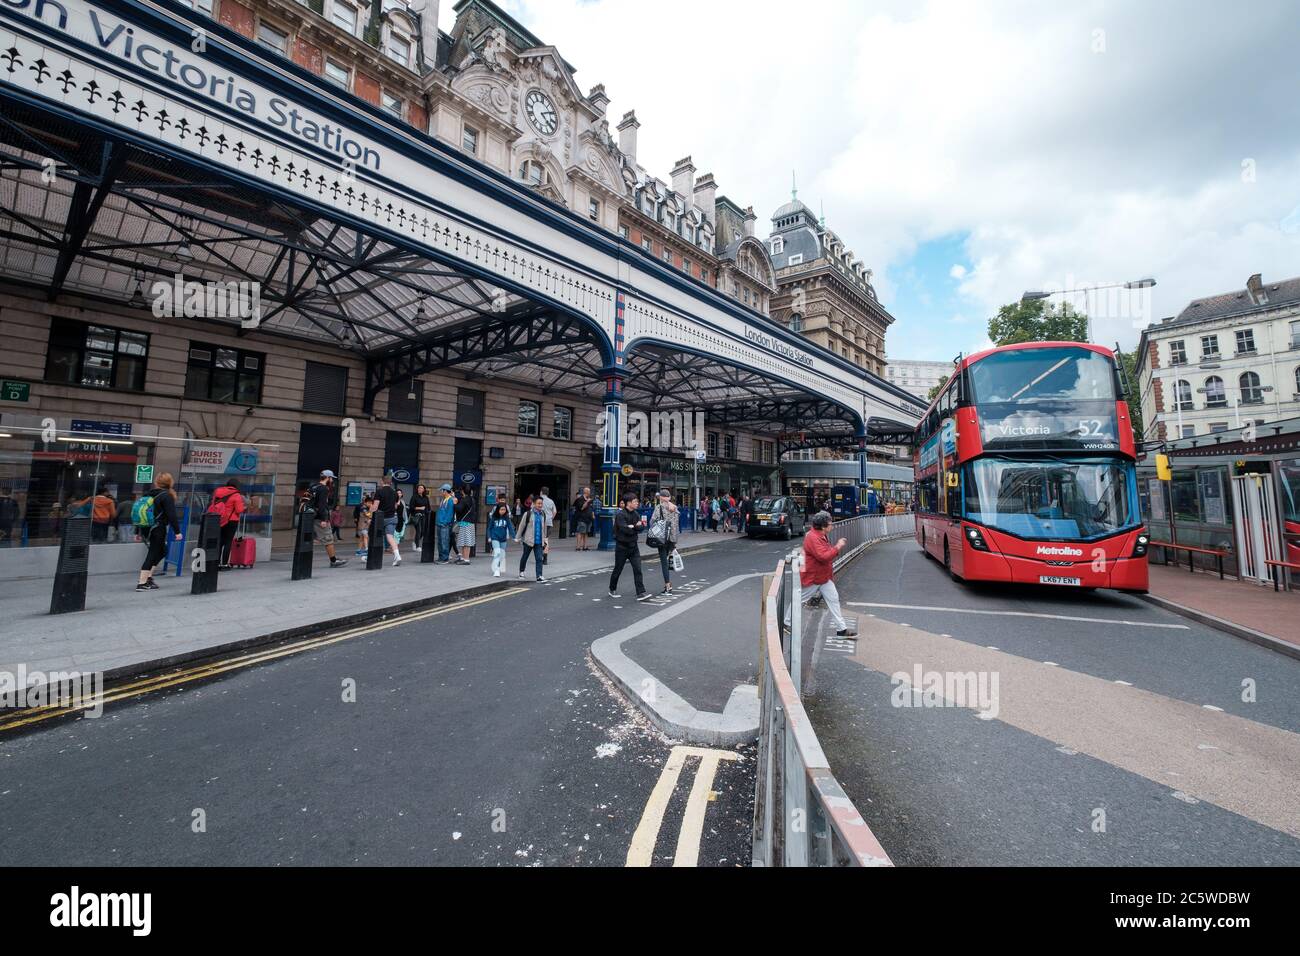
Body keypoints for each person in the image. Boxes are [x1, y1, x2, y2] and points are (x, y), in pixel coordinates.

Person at [785, 511, 854, 637]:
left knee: (833, 599)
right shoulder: (813, 537)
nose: (832, 525)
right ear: (823, 526)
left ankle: (841, 629)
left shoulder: (817, 535)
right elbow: (823, 556)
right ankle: (787, 622)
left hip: (822, 576)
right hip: (814, 576)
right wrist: (838, 546)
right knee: (799, 598)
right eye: (830, 523)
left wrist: (834, 548)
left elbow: (824, 553)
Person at [135, 473, 183, 591]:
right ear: (170, 483)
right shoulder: (166, 496)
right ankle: (142, 583)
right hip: (157, 528)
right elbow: (171, 515)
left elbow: (140, 513)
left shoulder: (148, 494)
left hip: (146, 527)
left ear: (157, 482)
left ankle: (148, 578)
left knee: (162, 551)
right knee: (153, 553)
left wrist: (137, 532)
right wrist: (177, 532)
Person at [609, 492, 652, 602]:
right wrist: (634, 527)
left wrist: (634, 526)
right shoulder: (620, 515)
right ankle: (612, 589)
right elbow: (625, 530)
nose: (637, 503)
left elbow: (642, 527)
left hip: (634, 547)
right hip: (622, 547)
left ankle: (640, 593)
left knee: (638, 569)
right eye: (635, 502)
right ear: (628, 503)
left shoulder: (636, 514)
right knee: (618, 569)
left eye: (637, 501)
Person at [307, 470, 348, 568]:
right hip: (319, 518)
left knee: (309, 539)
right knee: (328, 539)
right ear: (327, 478)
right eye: (331, 478)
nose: (332, 481)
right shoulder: (324, 489)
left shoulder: (313, 487)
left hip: (310, 516)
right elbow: (322, 505)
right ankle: (333, 561)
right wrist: (324, 519)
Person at [207, 479, 246, 570]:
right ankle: (224, 564)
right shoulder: (236, 495)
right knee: (228, 542)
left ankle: (216, 563)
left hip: (219, 519)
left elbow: (213, 504)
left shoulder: (218, 492)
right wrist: (244, 507)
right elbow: (239, 510)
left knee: (219, 542)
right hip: (231, 521)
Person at [648, 489, 680, 595]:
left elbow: (652, 522)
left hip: (662, 538)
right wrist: (674, 542)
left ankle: (668, 586)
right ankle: (667, 585)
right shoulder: (675, 508)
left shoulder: (659, 507)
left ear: (661, 497)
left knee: (664, 562)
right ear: (669, 497)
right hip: (671, 538)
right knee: (666, 560)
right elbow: (676, 525)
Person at [515, 496, 547, 582]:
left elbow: (544, 528)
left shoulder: (543, 514)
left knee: (539, 559)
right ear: (534, 504)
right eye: (538, 503)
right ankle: (521, 571)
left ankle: (539, 575)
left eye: (541, 503)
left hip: (539, 541)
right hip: (528, 540)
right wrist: (517, 538)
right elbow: (521, 526)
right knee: (525, 556)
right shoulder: (528, 514)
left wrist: (544, 539)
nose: (540, 505)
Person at [375, 473, 402, 567]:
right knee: (390, 537)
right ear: (390, 483)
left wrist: (370, 515)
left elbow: (375, 506)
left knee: (374, 536)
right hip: (392, 517)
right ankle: (397, 556)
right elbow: (395, 506)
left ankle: (370, 555)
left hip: (381, 518)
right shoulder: (395, 493)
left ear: (382, 481)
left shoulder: (379, 491)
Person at [487, 502, 512, 577]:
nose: (503, 511)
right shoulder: (494, 517)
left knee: (502, 555)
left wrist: (515, 537)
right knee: (497, 553)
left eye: (504, 510)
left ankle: (497, 566)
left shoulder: (506, 518)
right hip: (495, 537)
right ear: (498, 510)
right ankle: (497, 570)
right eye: (501, 509)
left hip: (503, 539)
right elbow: (489, 528)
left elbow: (510, 527)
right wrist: (489, 537)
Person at [454, 485, 476, 564]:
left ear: (462, 491)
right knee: (465, 541)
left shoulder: (465, 499)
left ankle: (466, 559)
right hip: (469, 522)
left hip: (465, 523)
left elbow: (459, 509)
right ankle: (463, 558)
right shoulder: (472, 499)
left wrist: (455, 503)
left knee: (466, 542)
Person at [434, 483, 455, 563]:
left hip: (444, 525)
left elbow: (450, 514)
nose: (441, 492)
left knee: (444, 541)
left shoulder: (450, 500)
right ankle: (441, 557)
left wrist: (445, 522)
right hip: (440, 523)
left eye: (442, 490)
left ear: (446, 491)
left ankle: (445, 558)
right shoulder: (443, 499)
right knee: (440, 542)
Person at [572, 487, 596, 552]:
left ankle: (585, 546)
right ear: (586, 492)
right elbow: (581, 508)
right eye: (589, 492)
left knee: (586, 533)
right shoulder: (580, 499)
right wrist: (587, 502)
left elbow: (591, 508)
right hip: (581, 518)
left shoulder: (590, 499)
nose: (590, 493)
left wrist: (593, 515)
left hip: (588, 519)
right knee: (580, 532)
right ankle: (578, 547)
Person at [409, 484, 431, 553]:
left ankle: (415, 542)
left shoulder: (426, 498)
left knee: (423, 531)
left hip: (424, 516)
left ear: (424, 490)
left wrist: (428, 512)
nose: (420, 489)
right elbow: (411, 507)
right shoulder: (414, 497)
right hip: (416, 516)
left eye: (421, 488)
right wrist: (420, 508)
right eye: (419, 488)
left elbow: (428, 507)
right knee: (419, 530)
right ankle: (418, 546)